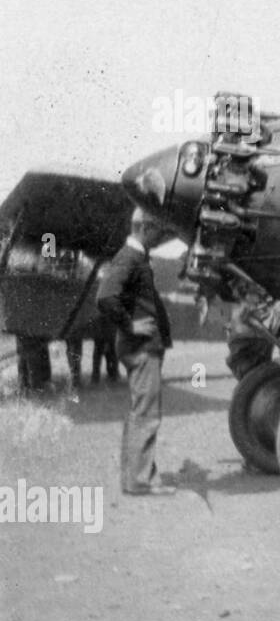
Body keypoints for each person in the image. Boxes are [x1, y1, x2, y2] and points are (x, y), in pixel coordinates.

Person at [96, 208, 175, 497]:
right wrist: (130, 326)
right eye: (159, 231)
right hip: (141, 347)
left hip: (142, 346)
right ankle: (140, 480)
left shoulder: (136, 256)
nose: (161, 237)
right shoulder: (130, 257)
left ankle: (136, 478)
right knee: (147, 413)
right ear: (145, 227)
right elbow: (105, 296)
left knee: (139, 412)